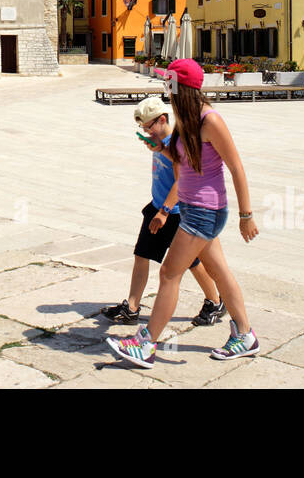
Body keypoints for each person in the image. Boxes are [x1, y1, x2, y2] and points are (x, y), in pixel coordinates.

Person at [107, 59, 259, 369]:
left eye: (170, 85)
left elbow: (236, 166)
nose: (166, 90)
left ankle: (146, 344)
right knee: (219, 273)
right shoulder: (186, 120)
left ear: (182, 87)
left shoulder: (209, 120)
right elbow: (183, 160)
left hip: (204, 211)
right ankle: (245, 336)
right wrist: (158, 146)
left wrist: (247, 215)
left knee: (169, 273)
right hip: (194, 208)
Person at [100, 95, 226, 327]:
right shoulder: (158, 143)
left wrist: (165, 211)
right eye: (143, 128)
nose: (147, 131)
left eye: (149, 126)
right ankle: (132, 307)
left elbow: (182, 181)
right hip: (157, 208)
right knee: (142, 254)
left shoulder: (175, 144)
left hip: (175, 213)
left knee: (193, 262)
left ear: (162, 119)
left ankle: (215, 300)